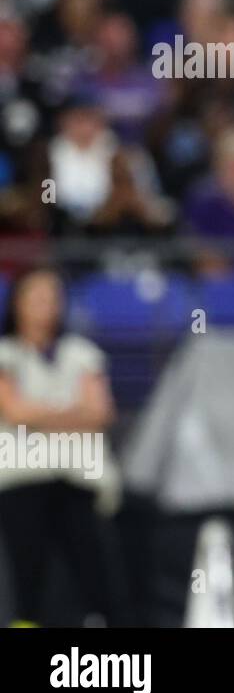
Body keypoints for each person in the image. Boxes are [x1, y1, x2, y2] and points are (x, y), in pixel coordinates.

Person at [0, 266, 124, 626]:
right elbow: (15, 412)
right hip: (21, 481)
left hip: (79, 480)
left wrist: (39, 415)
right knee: (27, 576)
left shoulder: (80, 352)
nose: (45, 305)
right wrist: (72, 412)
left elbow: (100, 412)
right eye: (36, 296)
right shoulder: (6, 353)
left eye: (52, 297)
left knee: (96, 573)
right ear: (17, 303)